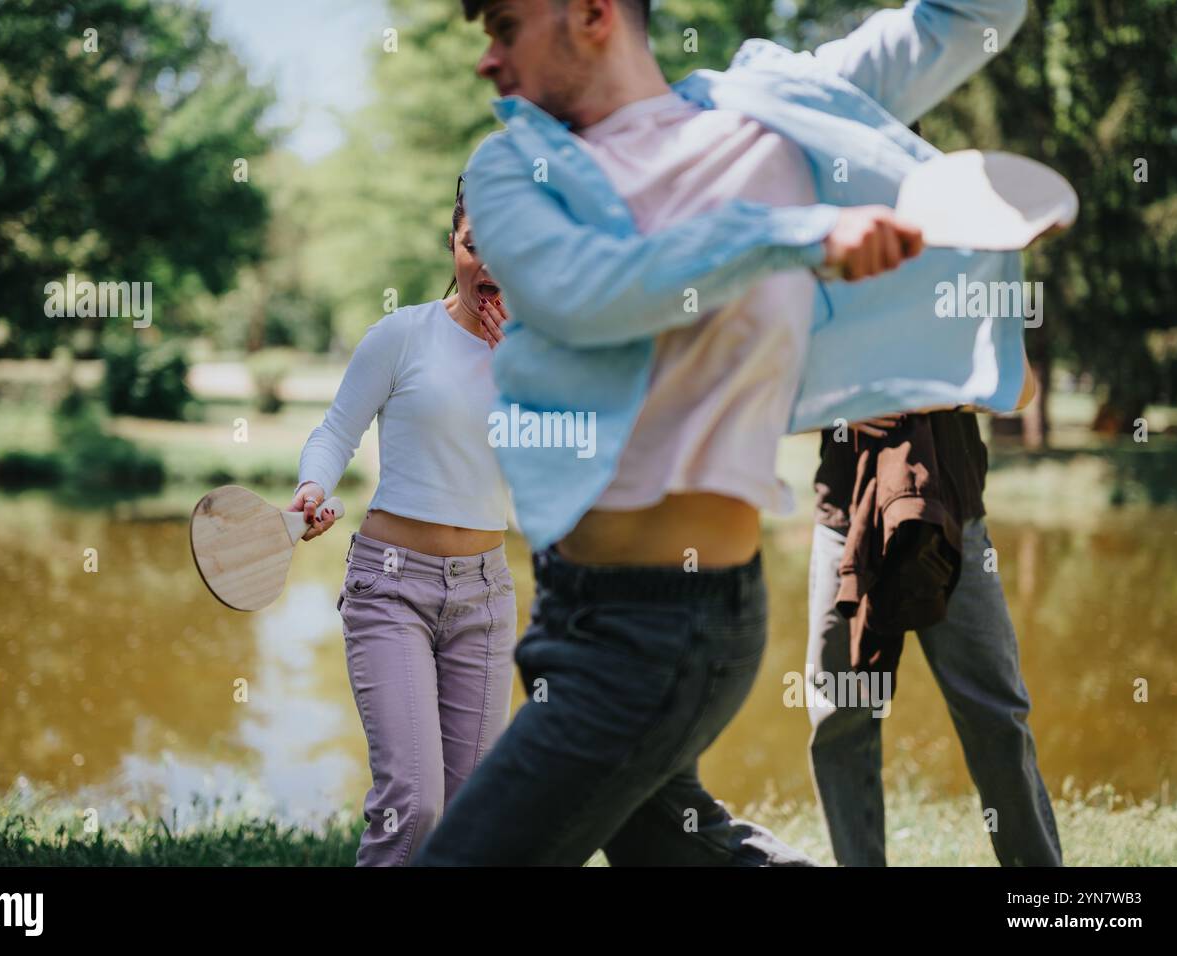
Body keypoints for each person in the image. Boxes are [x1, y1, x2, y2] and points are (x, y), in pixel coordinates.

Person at [414, 0, 1032, 866]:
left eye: (505, 26)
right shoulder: (511, 170)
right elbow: (588, 293)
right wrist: (798, 235)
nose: (487, 59)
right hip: (568, 611)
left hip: (669, 626)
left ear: (590, 14)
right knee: (685, 853)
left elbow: (971, 17)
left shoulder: (775, 110)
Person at [290, 193, 517, 866]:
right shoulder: (404, 335)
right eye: (474, 243)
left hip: (486, 594)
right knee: (412, 803)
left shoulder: (543, 362)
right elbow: (337, 430)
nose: (487, 261)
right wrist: (312, 487)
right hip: (390, 588)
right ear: (453, 244)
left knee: (472, 816)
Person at [806, 388, 1063, 866]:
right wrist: (838, 407)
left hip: (954, 513)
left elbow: (1021, 386)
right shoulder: (819, 308)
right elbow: (770, 388)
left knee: (995, 713)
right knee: (842, 715)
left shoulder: (970, 309)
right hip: (845, 521)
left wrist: (944, 391)